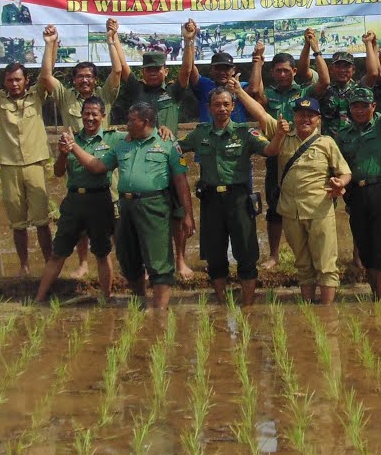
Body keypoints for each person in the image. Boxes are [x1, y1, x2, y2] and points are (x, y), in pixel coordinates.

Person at [41, 19, 131, 279]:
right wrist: (49, 45)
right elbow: (46, 76)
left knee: (114, 215)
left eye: (89, 76)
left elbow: (116, 70)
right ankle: (82, 263)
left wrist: (111, 38)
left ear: (95, 80)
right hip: (76, 164)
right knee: (79, 221)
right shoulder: (66, 97)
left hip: (104, 161)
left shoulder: (105, 97)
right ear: (74, 80)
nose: (84, 81)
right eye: (80, 77)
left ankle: (123, 264)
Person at [179, 82, 273, 304]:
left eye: (226, 104)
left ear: (233, 107)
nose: (221, 108)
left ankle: (247, 304)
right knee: (215, 254)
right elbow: (176, 147)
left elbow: (270, 150)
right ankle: (221, 300)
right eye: (217, 105)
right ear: (209, 107)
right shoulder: (199, 133)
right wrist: (162, 133)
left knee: (246, 253)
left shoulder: (245, 133)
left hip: (239, 199)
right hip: (211, 200)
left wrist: (279, 136)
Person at [0, 28, 53, 274]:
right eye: (10, 80)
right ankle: (24, 267)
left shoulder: (37, 96)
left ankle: (50, 265)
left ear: (26, 80)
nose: (14, 84)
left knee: (42, 221)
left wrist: (49, 44)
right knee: (18, 224)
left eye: (18, 79)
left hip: (35, 165)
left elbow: (46, 74)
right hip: (9, 167)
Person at [119, 28, 197, 281]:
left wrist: (188, 40)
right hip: (143, 158)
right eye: (149, 70)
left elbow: (186, 71)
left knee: (178, 211)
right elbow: (121, 68)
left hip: (173, 155)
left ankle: (181, 261)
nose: (153, 73)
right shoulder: (136, 90)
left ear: (165, 71)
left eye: (158, 69)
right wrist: (113, 40)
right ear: (144, 72)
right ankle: (144, 264)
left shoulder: (172, 91)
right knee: (146, 212)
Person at [265, 96, 352, 303]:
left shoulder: (326, 142)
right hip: (290, 212)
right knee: (303, 264)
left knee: (326, 264)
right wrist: (239, 93)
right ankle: (307, 308)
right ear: (294, 116)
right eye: (301, 114)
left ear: (318, 119)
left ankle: (326, 313)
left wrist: (340, 183)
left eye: (310, 116)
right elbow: (260, 115)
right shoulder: (282, 136)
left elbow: (345, 172)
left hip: (319, 211)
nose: (305, 119)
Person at [334, 53, 381, 301]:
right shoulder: (343, 135)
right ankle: (377, 298)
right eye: (355, 106)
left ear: (373, 106)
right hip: (357, 194)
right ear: (349, 109)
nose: (360, 110)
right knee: (366, 252)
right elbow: (339, 166)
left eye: (365, 105)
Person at [111, 100, 193, 310]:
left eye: (131, 120)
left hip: (154, 204)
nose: (127, 124)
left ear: (145, 122)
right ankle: (140, 301)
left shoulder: (168, 143)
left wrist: (187, 214)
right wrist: (73, 149)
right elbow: (98, 166)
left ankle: (159, 311)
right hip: (126, 206)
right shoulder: (123, 142)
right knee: (128, 257)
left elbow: (181, 181)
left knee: (159, 261)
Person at [35, 96, 118, 302]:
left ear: (103, 116)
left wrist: (73, 147)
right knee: (58, 252)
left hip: (99, 200)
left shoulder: (112, 139)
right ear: (81, 116)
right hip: (74, 201)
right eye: (86, 114)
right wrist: (63, 154)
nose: (90, 118)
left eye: (94, 114)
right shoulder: (71, 139)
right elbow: (58, 172)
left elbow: (98, 168)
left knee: (102, 252)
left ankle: (106, 299)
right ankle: (38, 299)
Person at [249, 36, 316, 262]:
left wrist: (311, 47)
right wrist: (257, 59)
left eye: (286, 70)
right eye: (277, 71)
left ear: (294, 71)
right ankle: (274, 255)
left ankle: (308, 253)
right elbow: (255, 92)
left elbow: (324, 82)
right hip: (276, 154)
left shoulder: (306, 91)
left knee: (308, 203)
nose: (282, 75)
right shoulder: (271, 94)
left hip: (305, 154)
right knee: (275, 206)